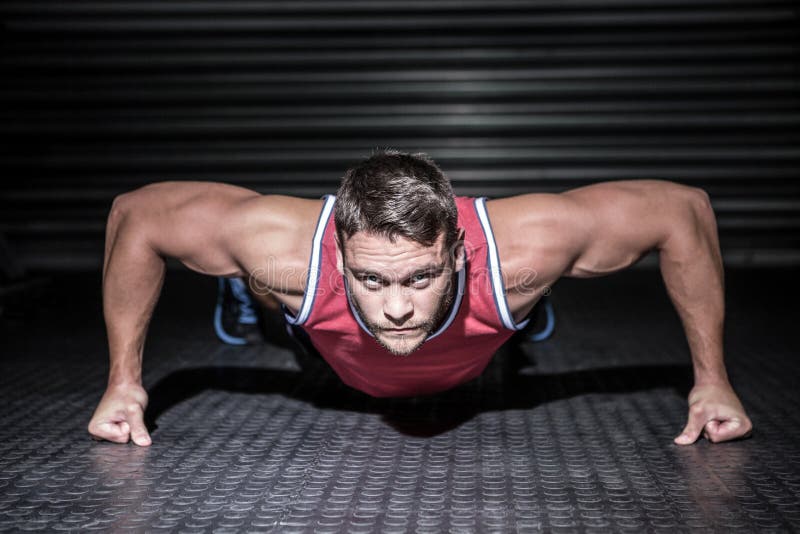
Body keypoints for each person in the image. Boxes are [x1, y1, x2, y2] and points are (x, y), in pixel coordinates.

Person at [88, 150, 752, 447]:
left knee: (518, 305)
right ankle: (254, 301)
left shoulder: (521, 251)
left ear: (457, 252)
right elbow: (136, 215)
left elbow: (681, 210)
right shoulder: (286, 250)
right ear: (342, 257)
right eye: (372, 280)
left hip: (487, 325)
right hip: (322, 341)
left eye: (421, 278)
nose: (398, 307)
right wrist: (123, 382)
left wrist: (712, 380)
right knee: (271, 296)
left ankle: (524, 316)